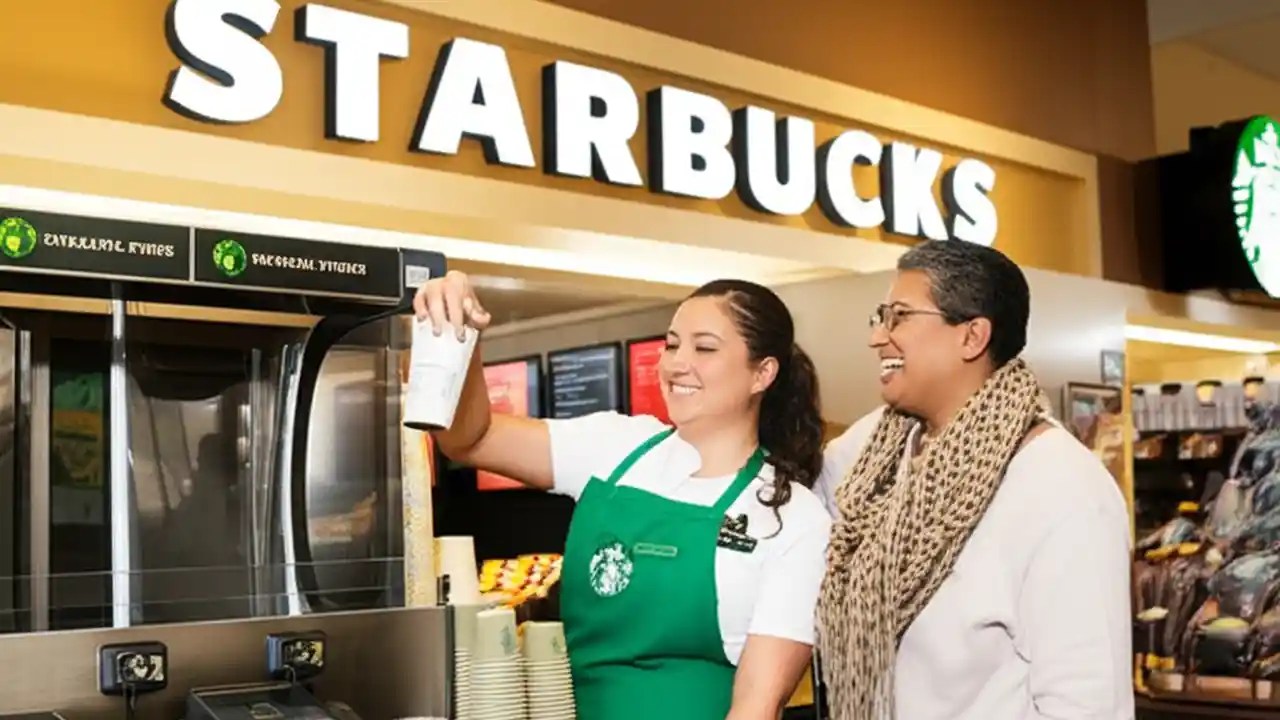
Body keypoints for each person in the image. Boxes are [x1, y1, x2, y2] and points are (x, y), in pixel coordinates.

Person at [414, 272, 832, 719]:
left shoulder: (792, 517)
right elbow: (470, 440)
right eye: (672, 345)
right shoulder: (616, 447)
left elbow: (756, 707)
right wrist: (461, 335)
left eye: (704, 348)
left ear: (762, 373)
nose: (677, 363)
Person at [814, 241, 1134, 720]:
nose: (877, 337)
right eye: (880, 315)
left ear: (972, 336)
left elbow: (1088, 703)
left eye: (899, 316)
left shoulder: (1063, 489)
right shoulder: (870, 453)